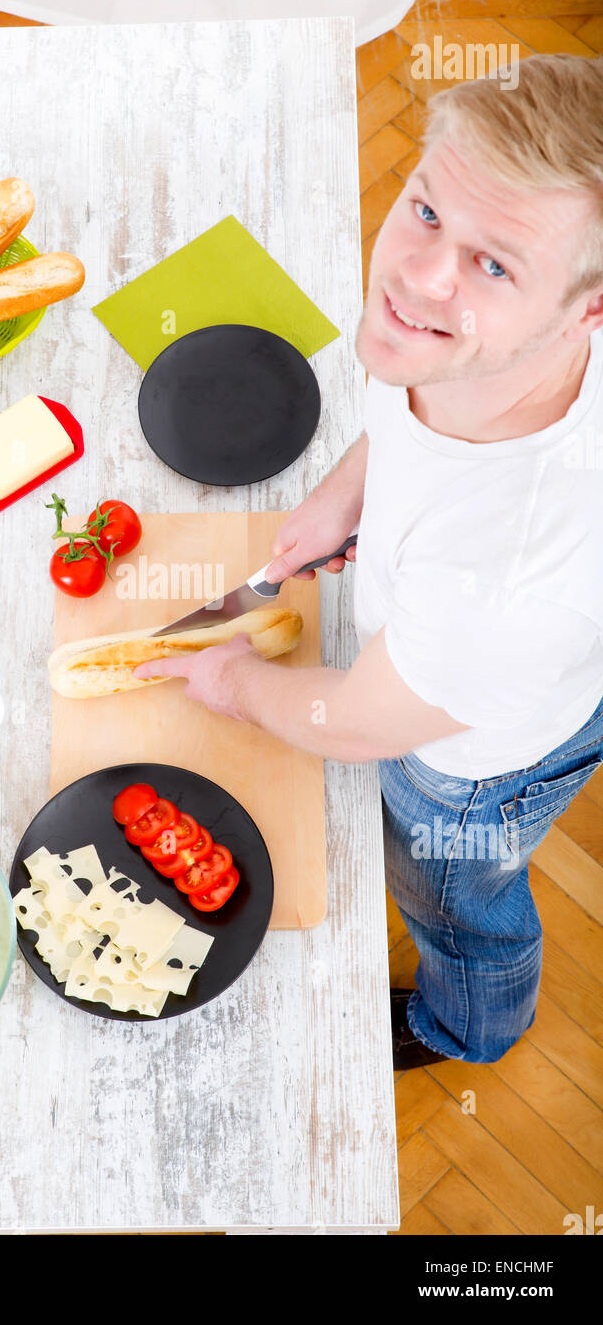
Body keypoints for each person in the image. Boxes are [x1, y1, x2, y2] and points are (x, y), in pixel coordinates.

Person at [134, 53, 603, 1068]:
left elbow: (351, 723)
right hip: (458, 652)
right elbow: (404, 411)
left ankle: (469, 1025)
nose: (414, 278)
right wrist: (342, 496)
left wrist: (232, 679)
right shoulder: (465, 342)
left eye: (492, 264)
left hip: (473, 765)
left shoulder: (506, 578)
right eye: (425, 210)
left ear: (587, 310)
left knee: (452, 899)